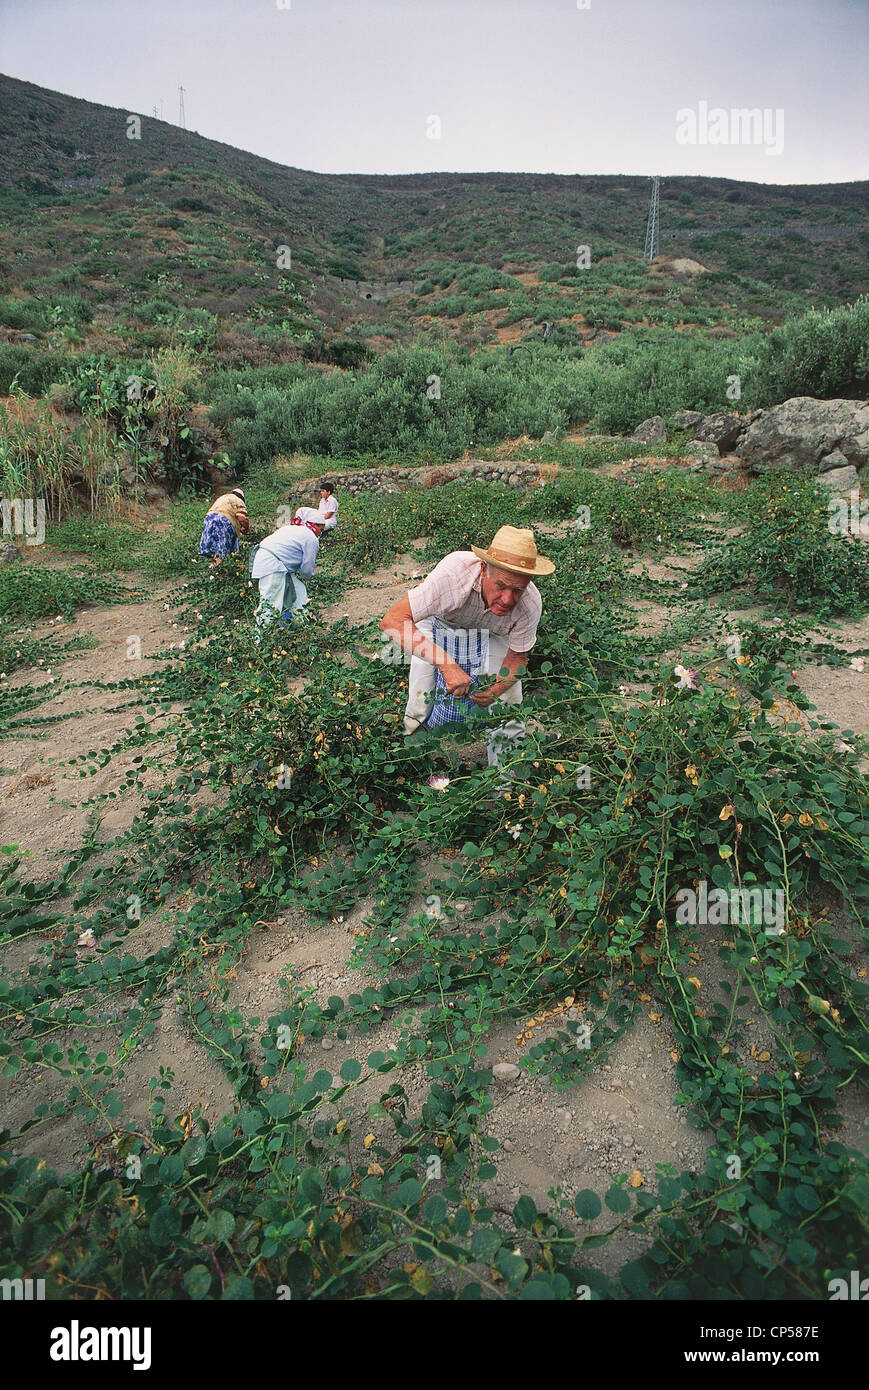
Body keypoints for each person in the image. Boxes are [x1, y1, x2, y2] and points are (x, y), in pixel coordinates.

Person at [379, 525, 555, 768]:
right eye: (501, 585)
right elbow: (393, 621)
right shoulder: (453, 575)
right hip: (441, 621)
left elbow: (517, 659)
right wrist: (445, 663)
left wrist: (495, 690)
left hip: (494, 632)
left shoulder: (530, 604)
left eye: (517, 590)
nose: (507, 599)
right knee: (421, 689)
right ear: (484, 569)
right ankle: (413, 760)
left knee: (509, 700)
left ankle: (508, 783)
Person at [250, 514, 323, 641]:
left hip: (269, 560)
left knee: (298, 591)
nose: (320, 534)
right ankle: (259, 642)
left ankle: (297, 627)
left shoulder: (294, 529)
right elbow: (307, 567)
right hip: (273, 565)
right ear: (315, 525)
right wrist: (308, 576)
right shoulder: (311, 537)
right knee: (270, 604)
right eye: (321, 530)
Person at [198, 488, 249, 564]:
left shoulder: (222, 497)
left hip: (209, 518)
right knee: (223, 545)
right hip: (223, 520)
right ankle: (220, 565)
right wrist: (246, 528)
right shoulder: (238, 501)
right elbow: (242, 519)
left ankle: (207, 563)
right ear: (242, 497)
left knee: (210, 542)